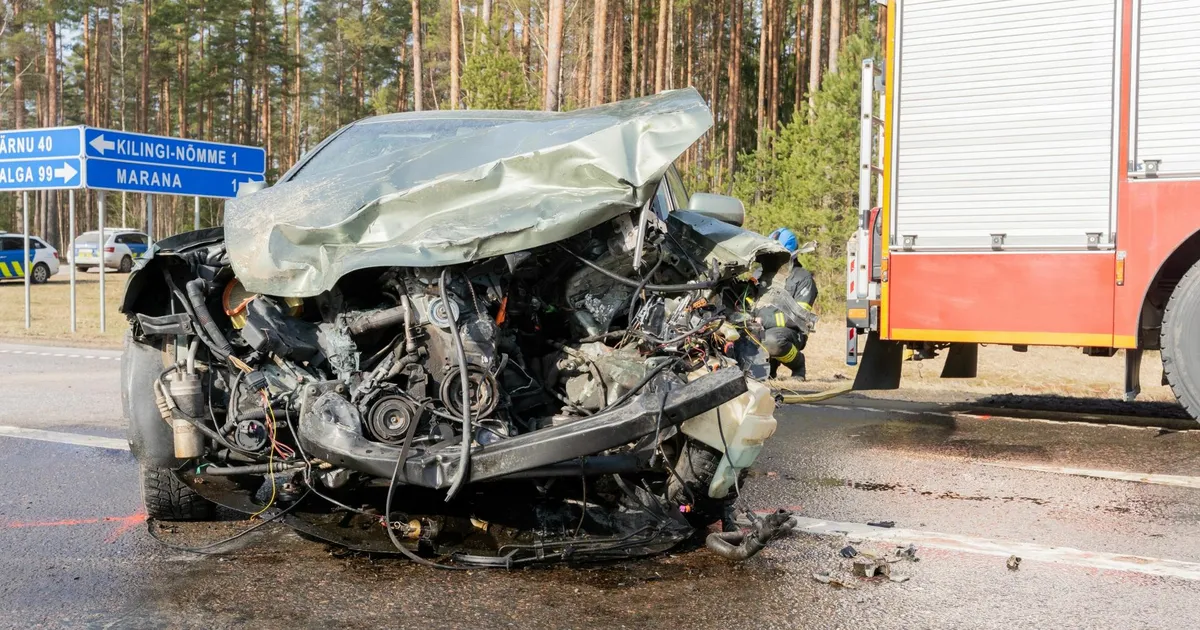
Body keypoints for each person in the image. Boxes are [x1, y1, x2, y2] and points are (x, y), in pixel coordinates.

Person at [758, 228, 818, 379]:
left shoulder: (803, 279)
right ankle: (767, 368)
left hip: (791, 333)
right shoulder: (760, 275)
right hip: (757, 328)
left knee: (772, 341)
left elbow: (798, 318)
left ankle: (798, 365)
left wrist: (763, 320)